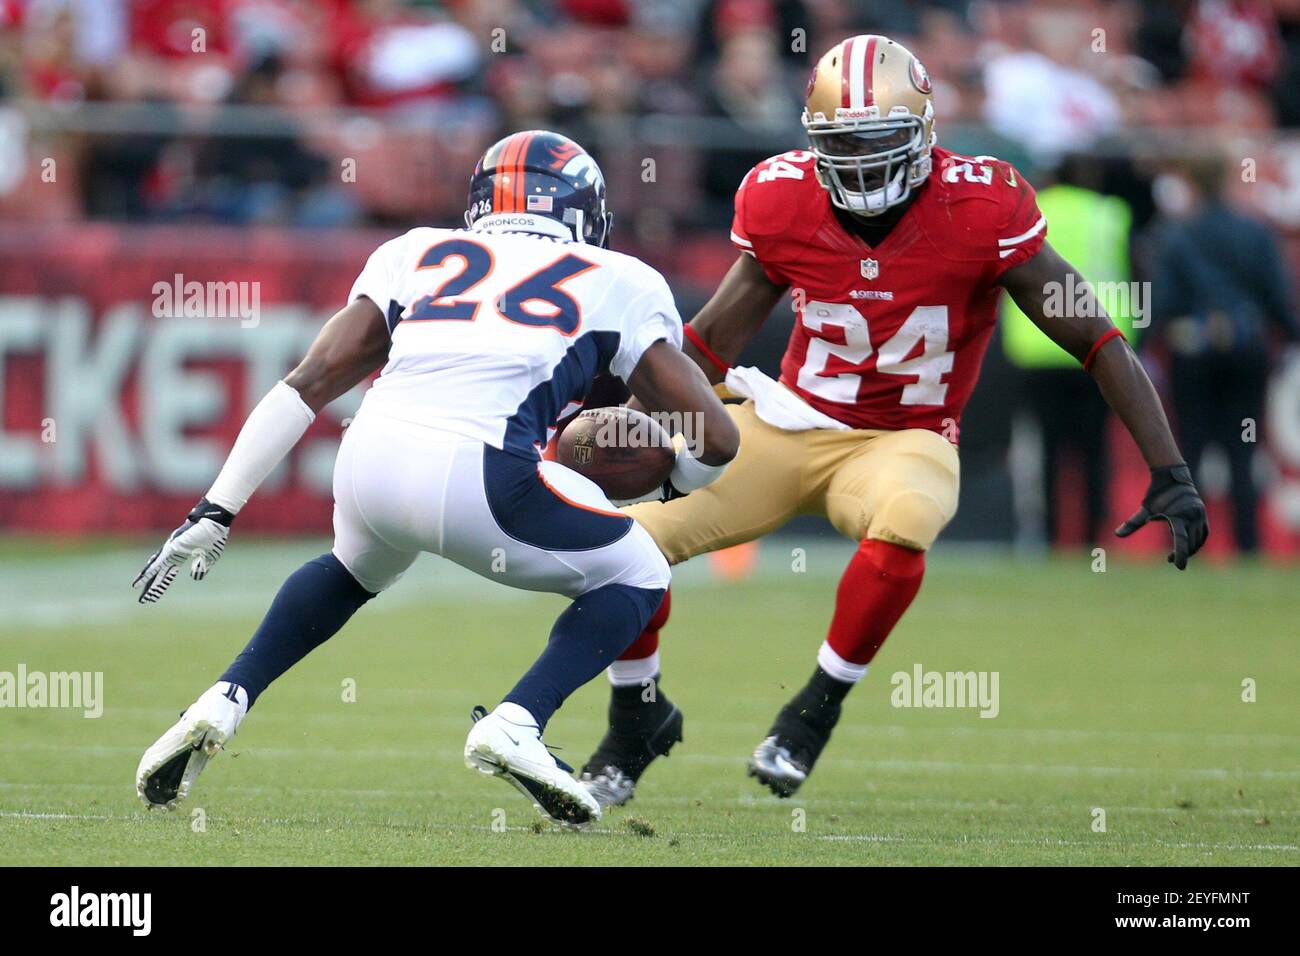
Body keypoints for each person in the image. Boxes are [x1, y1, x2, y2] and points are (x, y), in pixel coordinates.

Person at [577, 35, 1209, 808]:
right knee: (625, 546)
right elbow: (710, 341)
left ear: (925, 132)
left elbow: (1094, 335)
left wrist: (1170, 469)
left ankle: (811, 715)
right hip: (787, 422)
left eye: (880, 142)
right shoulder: (782, 199)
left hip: (905, 438)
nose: (864, 162)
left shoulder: (982, 205)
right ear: (814, 142)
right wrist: (624, 431)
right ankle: (634, 718)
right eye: (844, 145)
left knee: (907, 516)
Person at [131, 130, 739, 827]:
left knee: (353, 568)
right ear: (583, 213)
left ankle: (223, 699)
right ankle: (516, 722)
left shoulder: (413, 250)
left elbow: (310, 383)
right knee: (639, 572)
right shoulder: (621, 279)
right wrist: (672, 477)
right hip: (482, 478)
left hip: (368, 463)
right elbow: (716, 437)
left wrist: (217, 508)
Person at [1148, 155, 1298, 554]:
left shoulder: (1177, 234)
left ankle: (1185, 545)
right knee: (1243, 451)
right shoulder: (1255, 232)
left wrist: (1143, 348)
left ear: (1191, 183)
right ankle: (1247, 547)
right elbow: (1278, 296)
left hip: (1192, 351)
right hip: (1246, 348)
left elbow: (1162, 300)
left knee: (1189, 451)